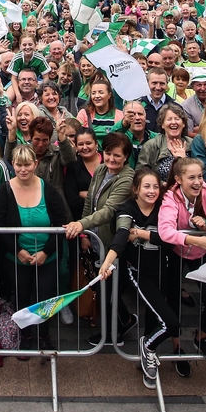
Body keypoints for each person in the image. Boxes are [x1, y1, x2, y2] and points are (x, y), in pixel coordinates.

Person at [0, 144, 72, 351]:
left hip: (47, 256)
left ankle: (44, 336)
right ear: (13, 165)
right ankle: (25, 336)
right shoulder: (5, 190)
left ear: (36, 164)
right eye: (19, 165)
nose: (23, 169)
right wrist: (18, 251)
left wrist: (46, 252)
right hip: (16, 257)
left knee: (44, 298)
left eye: (27, 164)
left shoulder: (49, 189)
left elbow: (59, 222)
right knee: (21, 295)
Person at [95, 169, 170, 389]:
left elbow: (169, 237)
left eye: (156, 186)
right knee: (171, 324)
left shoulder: (164, 208)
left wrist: (143, 233)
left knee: (155, 320)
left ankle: (146, 359)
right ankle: (147, 346)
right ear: (135, 189)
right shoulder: (127, 209)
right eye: (147, 186)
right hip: (139, 272)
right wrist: (108, 262)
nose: (152, 191)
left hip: (165, 271)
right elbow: (121, 235)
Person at [157, 157, 206, 376]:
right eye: (192, 177)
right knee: (173, 303)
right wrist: (194, 239)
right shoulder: (171, 197)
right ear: (179, 179)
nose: (198, 182)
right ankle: (177, 348)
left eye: (200, 176)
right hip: (178, 252)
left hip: (204, 252)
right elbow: (165, 231)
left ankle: (202, 338)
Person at [65, 132, 136, 346]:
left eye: (117, 155)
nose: (111, 159)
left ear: (126, 157)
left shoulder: (127, 178)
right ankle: (122, 323)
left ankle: (115, 333)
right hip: (96, 240)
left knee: (110, 290)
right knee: (101, 288)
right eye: (108, 154)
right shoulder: (101, 169)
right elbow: (90, 205)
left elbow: (108, 210)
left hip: (114, 244)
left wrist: (81, 225)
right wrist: (85, 233)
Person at [138, 104, 192, 183]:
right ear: (162, 124)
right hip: (160, 191)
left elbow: (199, 173)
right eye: (169, 119)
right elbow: (141, 173)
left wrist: (183, 160)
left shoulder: (192, 144)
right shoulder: (151, 145)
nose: (173, 122)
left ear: (183, 123)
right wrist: (162, 184)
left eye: (177, 119)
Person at [62, 128, 101, 222]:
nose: (84, 147)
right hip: (82, 221)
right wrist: (100, 199)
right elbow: (72, 200)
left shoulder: (108, 161)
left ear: (96, 144)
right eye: (80, 144)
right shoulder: (73, 166)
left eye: (88, 143)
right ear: (75, 146)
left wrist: (86, 195)